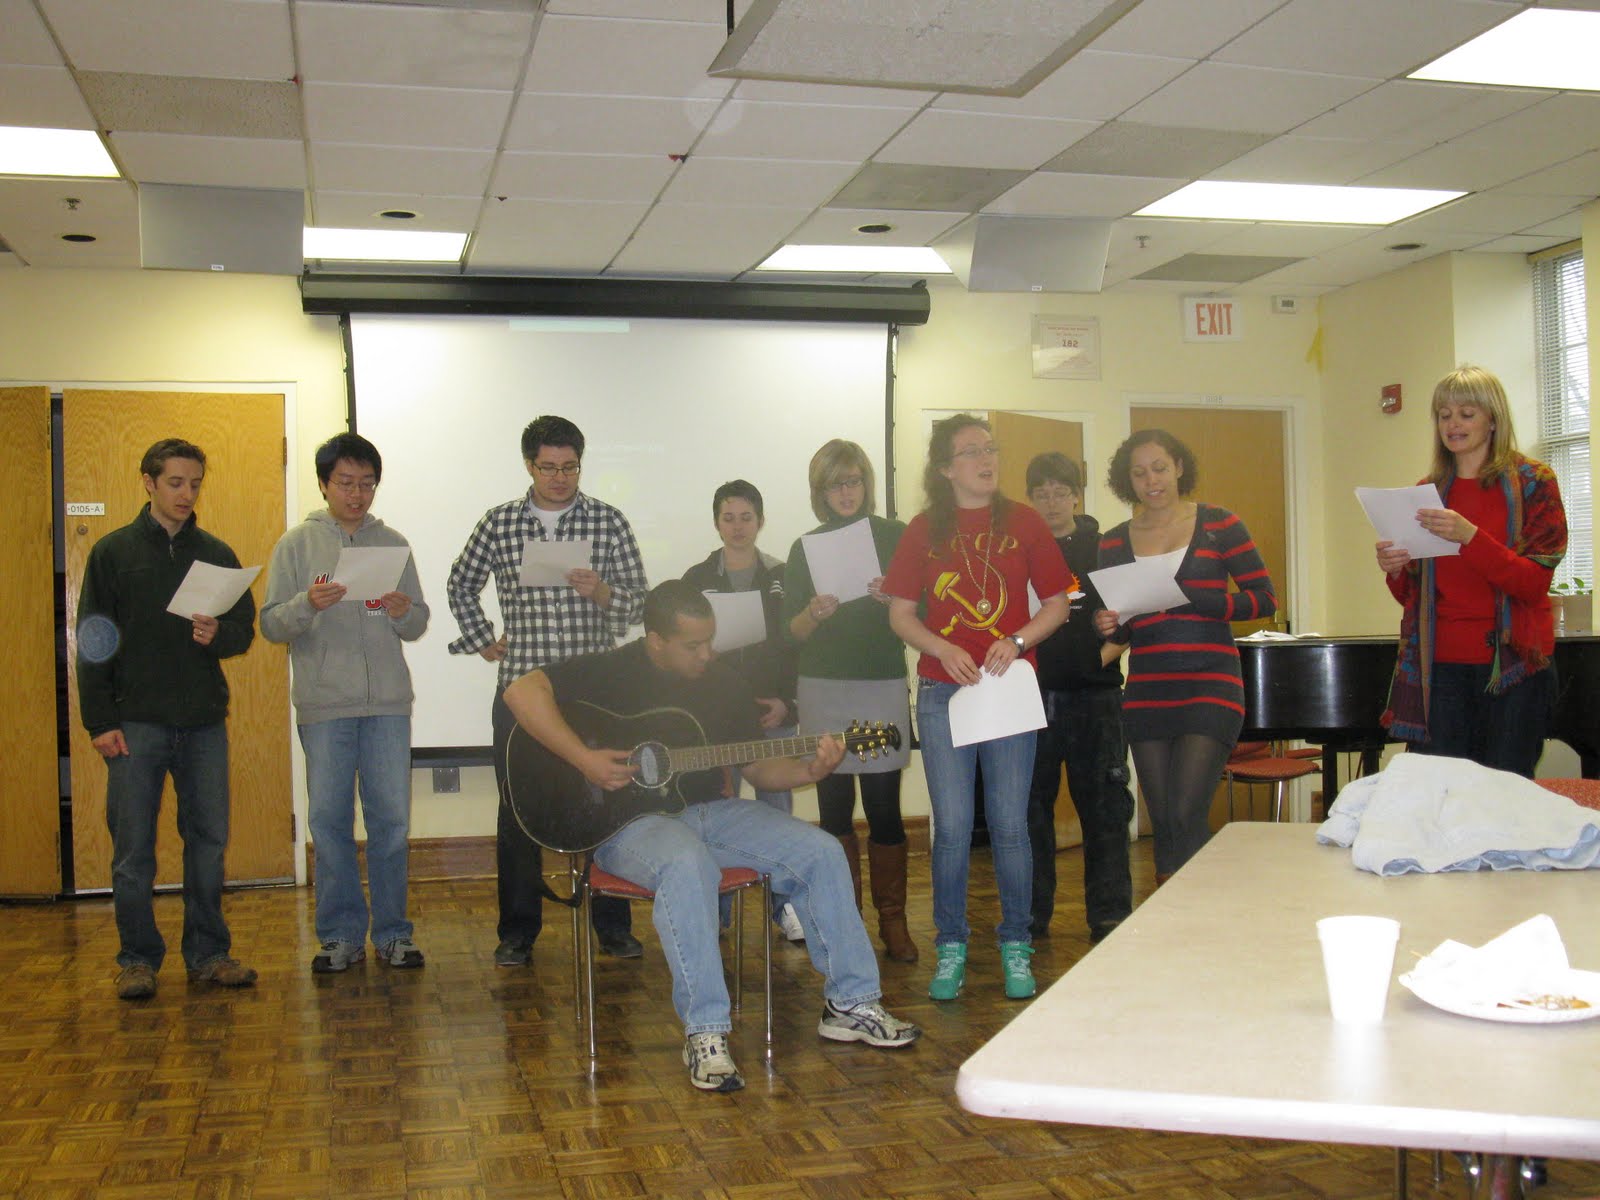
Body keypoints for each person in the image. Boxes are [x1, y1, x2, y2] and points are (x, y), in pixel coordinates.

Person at [502, 581, 920, 1092]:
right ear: (656, 641)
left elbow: (759, 770)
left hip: (709, 813)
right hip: (624, 824)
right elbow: (521, 692)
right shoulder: (609, 668)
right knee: (686, 863)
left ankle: (850, 1004)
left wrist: (811, 770)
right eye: (693, 645)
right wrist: (583, 759)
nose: (707, 654)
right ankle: (706, 1031)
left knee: (821, 850)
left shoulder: (723, 683)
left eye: (709, 641)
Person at [447, 415, 649, 966]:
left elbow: (640, 603)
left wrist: (603, 592)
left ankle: (613, 926)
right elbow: (461, 583)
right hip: (523, 688)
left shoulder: (607, 521)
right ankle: (517, 932)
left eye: (569, 467)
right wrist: (483, 639)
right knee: (517, 810)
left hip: (594, 693)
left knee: (608, 800)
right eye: (548, 468)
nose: (560, 478)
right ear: (529, 466)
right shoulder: (500, 523)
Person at [884, 414, 1073, 1002]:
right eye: (970, 451)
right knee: (953, 827)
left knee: (1011, 825)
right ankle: (951, 945)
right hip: (943, 692)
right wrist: (942, 648)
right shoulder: (923, 530)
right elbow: (900, 614)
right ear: (945, 468)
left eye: (989, 448)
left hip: (1008, 687)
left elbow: (1058, 603)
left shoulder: (1025, 522)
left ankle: (1016, 941)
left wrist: (1016, 640)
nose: (986, 459)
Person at [76, 438, 258, 1000]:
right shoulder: (113, 552)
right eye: (176, 483)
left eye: (195, 483)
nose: (187, 493)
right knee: (133, 849)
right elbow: (94, 639)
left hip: (203, 721)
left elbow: (242, 631)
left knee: (207, 841)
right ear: (149, 482)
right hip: (136, 723)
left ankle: (208, 954)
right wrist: (99, 721)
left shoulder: (217, 553)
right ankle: (137, 960)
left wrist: (217, 634)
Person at [261, 433, 430, 973]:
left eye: (367, 484)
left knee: (391, 823)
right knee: (329, 822)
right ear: (323, 484)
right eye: (346, 483)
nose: (357, 494)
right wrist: (306, 604)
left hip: (387, 705)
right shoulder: (296, 545)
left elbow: (417, 622)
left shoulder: (393, 543)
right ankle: (339, 936)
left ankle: (394, 934)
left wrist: (403, 611)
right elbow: (271, 624)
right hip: (325, 705)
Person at [1093, 429, 1277, 884]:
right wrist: (1108, 624)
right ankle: (1170, 917)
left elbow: (1264, 599)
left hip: (1211, 683)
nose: (1151, 480)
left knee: (1185, 810)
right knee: (1165, 821)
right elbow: (1127, 625)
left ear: (1178, 467)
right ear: (1127, 481)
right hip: (1148, 690)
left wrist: (1203, 601)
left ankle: (1200, 914)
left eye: (1159, 468)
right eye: (1139, 473)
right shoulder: (1113, 542)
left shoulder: (1220, 524)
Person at [1376, 365, 1567, 777]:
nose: (1453, 424)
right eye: (1444, 415)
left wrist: (1470, 537)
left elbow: (1533, 583)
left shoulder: (1535, 482)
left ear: (1493, 420)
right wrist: (1396, 569)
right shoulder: (1428, 491)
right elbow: (1414, 596)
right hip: (1440, 669)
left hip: (1514, 670)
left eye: (1466, 414)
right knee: (1440, 792)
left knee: (1503, 792)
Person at [782, 440, 916, 963]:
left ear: (866, 484)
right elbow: (791, 633)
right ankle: (847, 922)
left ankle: (893, 922)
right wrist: (813, 613)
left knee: (883, 807)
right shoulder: (805, 547)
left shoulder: (894, 536)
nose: (846, 492)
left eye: (854, 481)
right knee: (834, 810)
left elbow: (925, 609)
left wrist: (895, 599)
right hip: (823, 687)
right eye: (836, 484)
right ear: (820, 491)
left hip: (879, 683)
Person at [681, 479, 804, 941]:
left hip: (772, 713)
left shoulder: (783, 575)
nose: (737, 527)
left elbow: (796, 645)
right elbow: (682, 650)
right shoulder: (696, 579)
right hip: (715, 721)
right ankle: (717, 911)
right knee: (716, 813)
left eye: (746, 518)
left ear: (760, 521)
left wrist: (788, 703)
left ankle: (784, 906)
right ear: (717, 523)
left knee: (777, 814)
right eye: (728, 518)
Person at [1022, 452, 1134, 944]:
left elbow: (1131, 620)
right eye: (1041, 493)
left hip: (1096, 698)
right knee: (1030, 812)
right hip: (1031, 698)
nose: (1051, 502)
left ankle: (1109, 917)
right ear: (1030, 499)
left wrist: (1096, 664)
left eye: (1060, 492)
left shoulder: (1107, 548)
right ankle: (1031, 917)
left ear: (1076, 495)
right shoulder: (1020, 548)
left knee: (1106, 809)